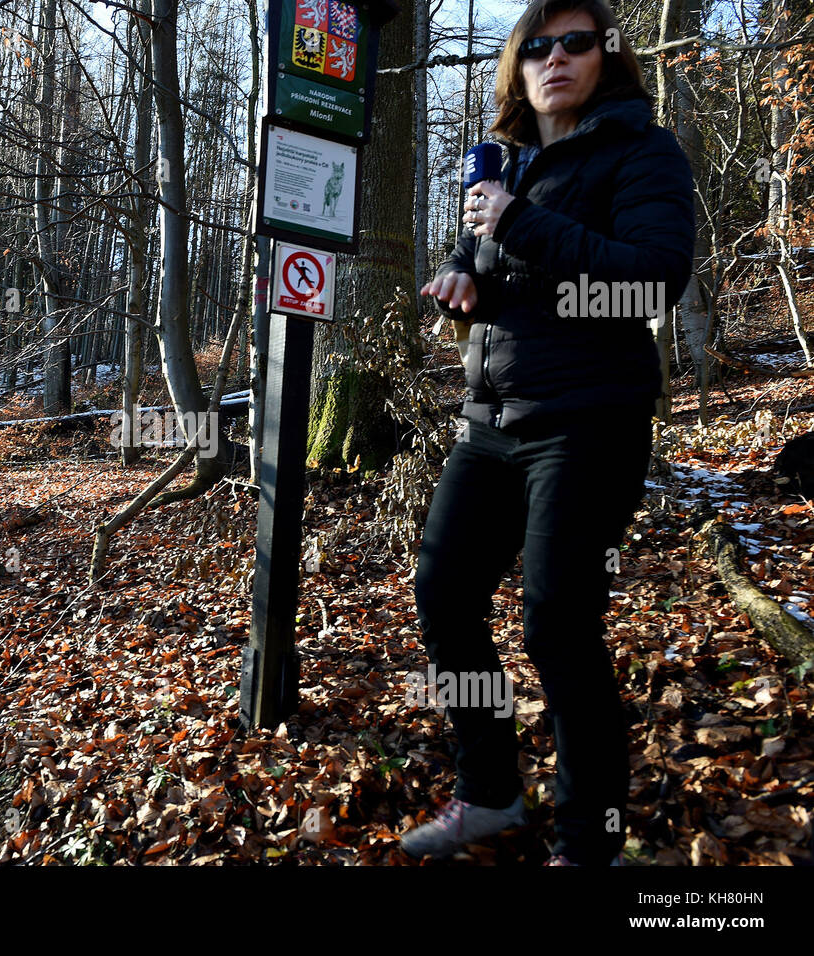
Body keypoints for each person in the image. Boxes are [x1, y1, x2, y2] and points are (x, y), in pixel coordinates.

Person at [404, 0, 695, 867]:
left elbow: (649, 285)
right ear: (517, 67)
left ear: (607, 57)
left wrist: (519, 222)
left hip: (588, 424)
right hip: (489, 422)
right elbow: (512, 276)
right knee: (445, 599)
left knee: (556, 626)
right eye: (538, 46)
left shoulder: (643, 152)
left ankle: (588, 841)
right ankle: (489, 789)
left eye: (577, 42)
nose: (557, 58)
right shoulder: (510, 165)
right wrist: (465, 277)